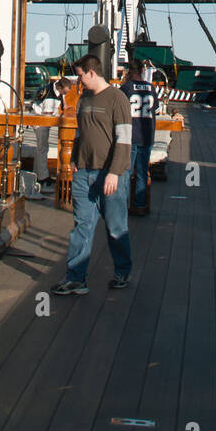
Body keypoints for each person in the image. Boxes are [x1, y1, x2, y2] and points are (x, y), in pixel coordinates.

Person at [51, 54, 132, 295]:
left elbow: (124, 140)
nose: (78, 81)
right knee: (81, 226)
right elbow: (81, 132)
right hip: (84, 172)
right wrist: (75, 158)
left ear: (92, 73)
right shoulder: (84, 99)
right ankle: (76, 277)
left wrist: (115, 173)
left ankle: (122, 272)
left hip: (109, 174)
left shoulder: (118, 99)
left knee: (116, 227)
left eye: (80, 76)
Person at [120, 57, 157, 215]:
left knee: (126, 172)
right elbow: (154, 107)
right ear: (142, 70)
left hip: (130, 135)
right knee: (142, 172)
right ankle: (140, 205)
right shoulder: (151, 88)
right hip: (147, 134)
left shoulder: (126, 88)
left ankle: (123, 205)